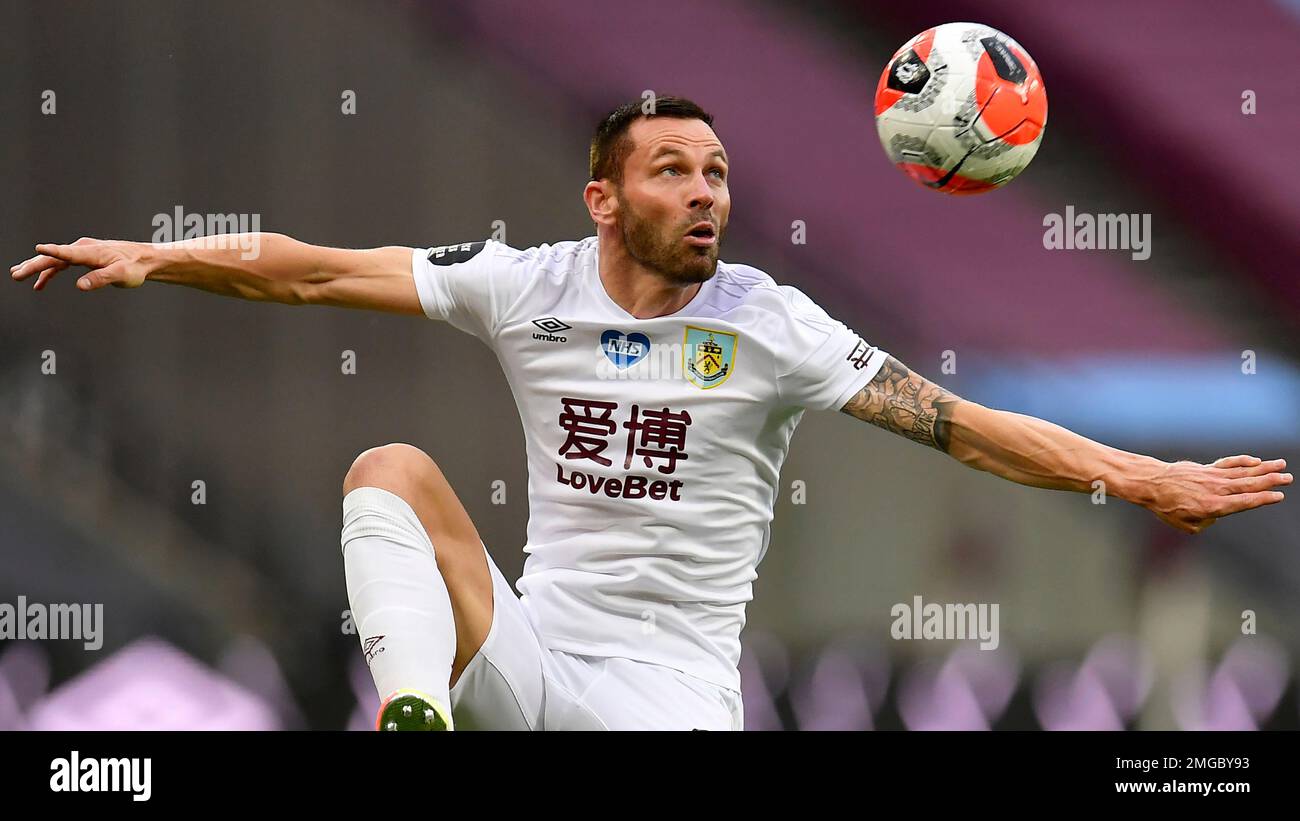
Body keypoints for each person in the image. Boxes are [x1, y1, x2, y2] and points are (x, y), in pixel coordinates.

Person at [11, 96, 1290, 731]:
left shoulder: (769, 323)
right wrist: (157, 254)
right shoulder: (526, 287)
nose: (705, 193)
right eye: (670, 170)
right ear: (603, 200)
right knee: (387, 464)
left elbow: (963, 423)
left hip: (670, 706)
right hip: (530, 668)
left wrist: (1138, 478)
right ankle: (413, 715)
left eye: (718, 172)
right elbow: (315, 270)